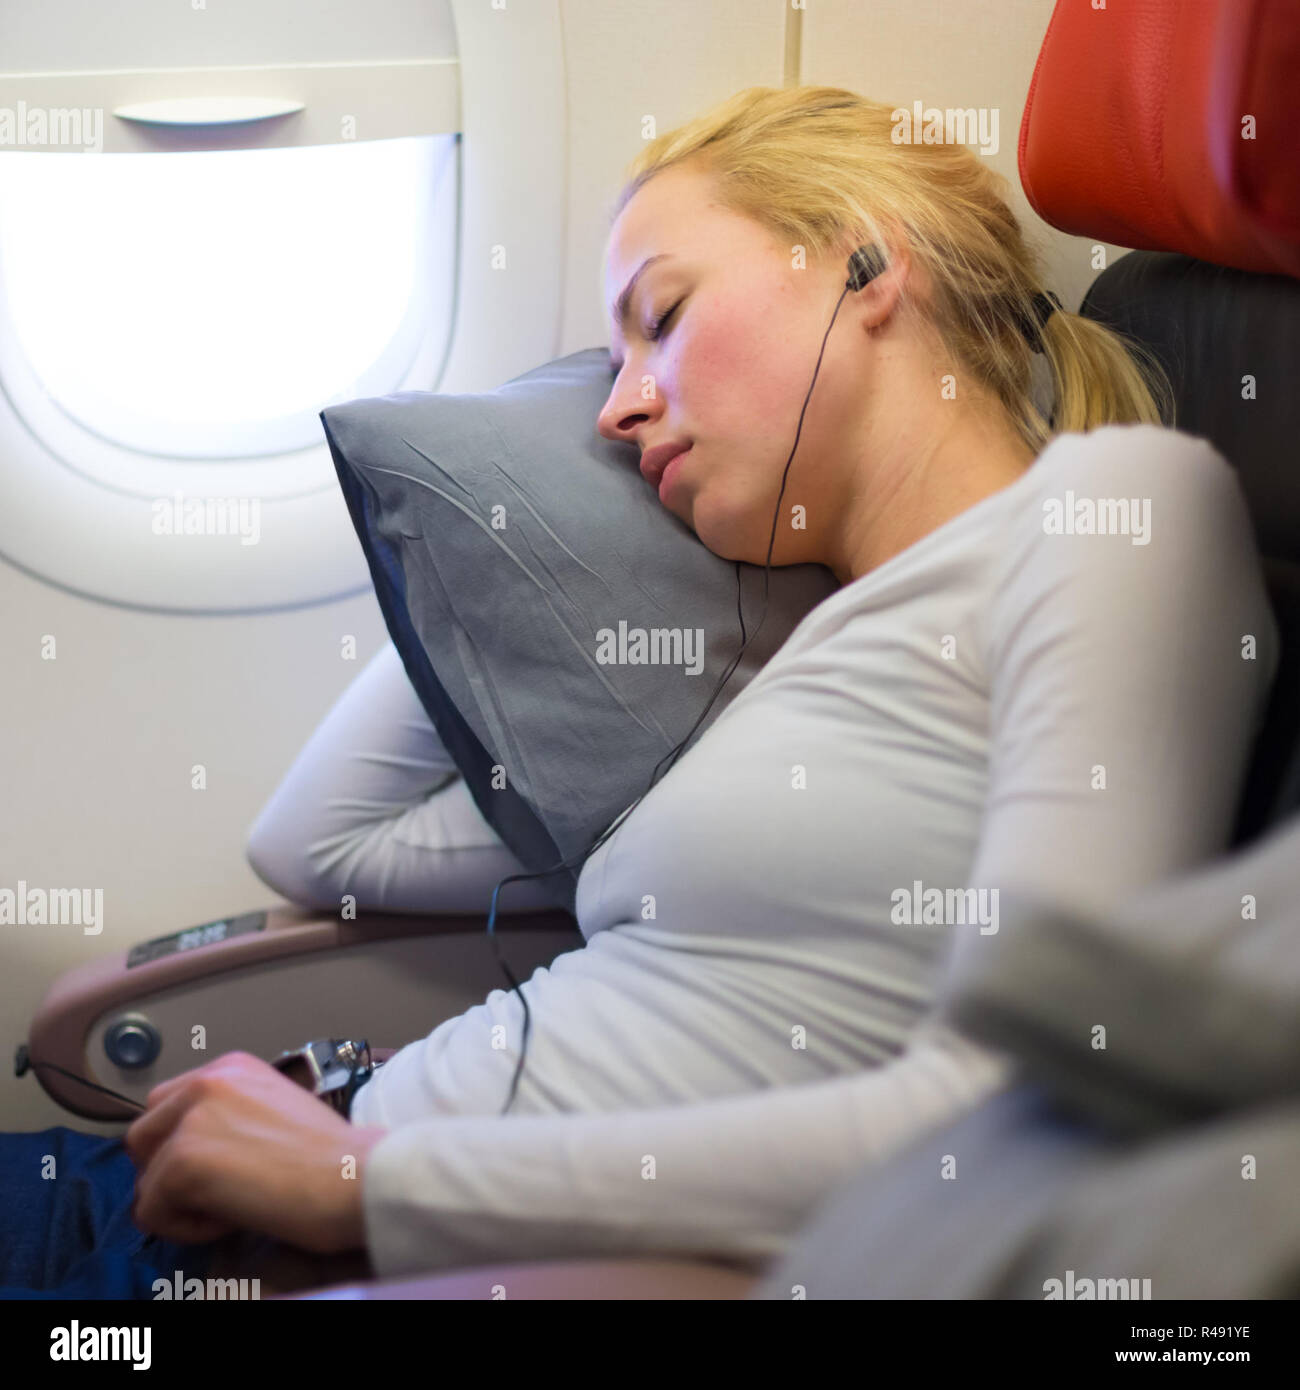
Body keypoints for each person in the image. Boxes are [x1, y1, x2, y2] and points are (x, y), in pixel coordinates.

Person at [3, 85, 1279, 1296]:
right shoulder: (775, 668)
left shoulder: (1113, 517)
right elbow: (321, 842)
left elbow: (1010, 1113)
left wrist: (365, 1181)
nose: (616, 409)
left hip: (333, 1232)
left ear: (865, 267)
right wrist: (538, 538)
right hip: (217, 1192)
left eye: (659, 317)